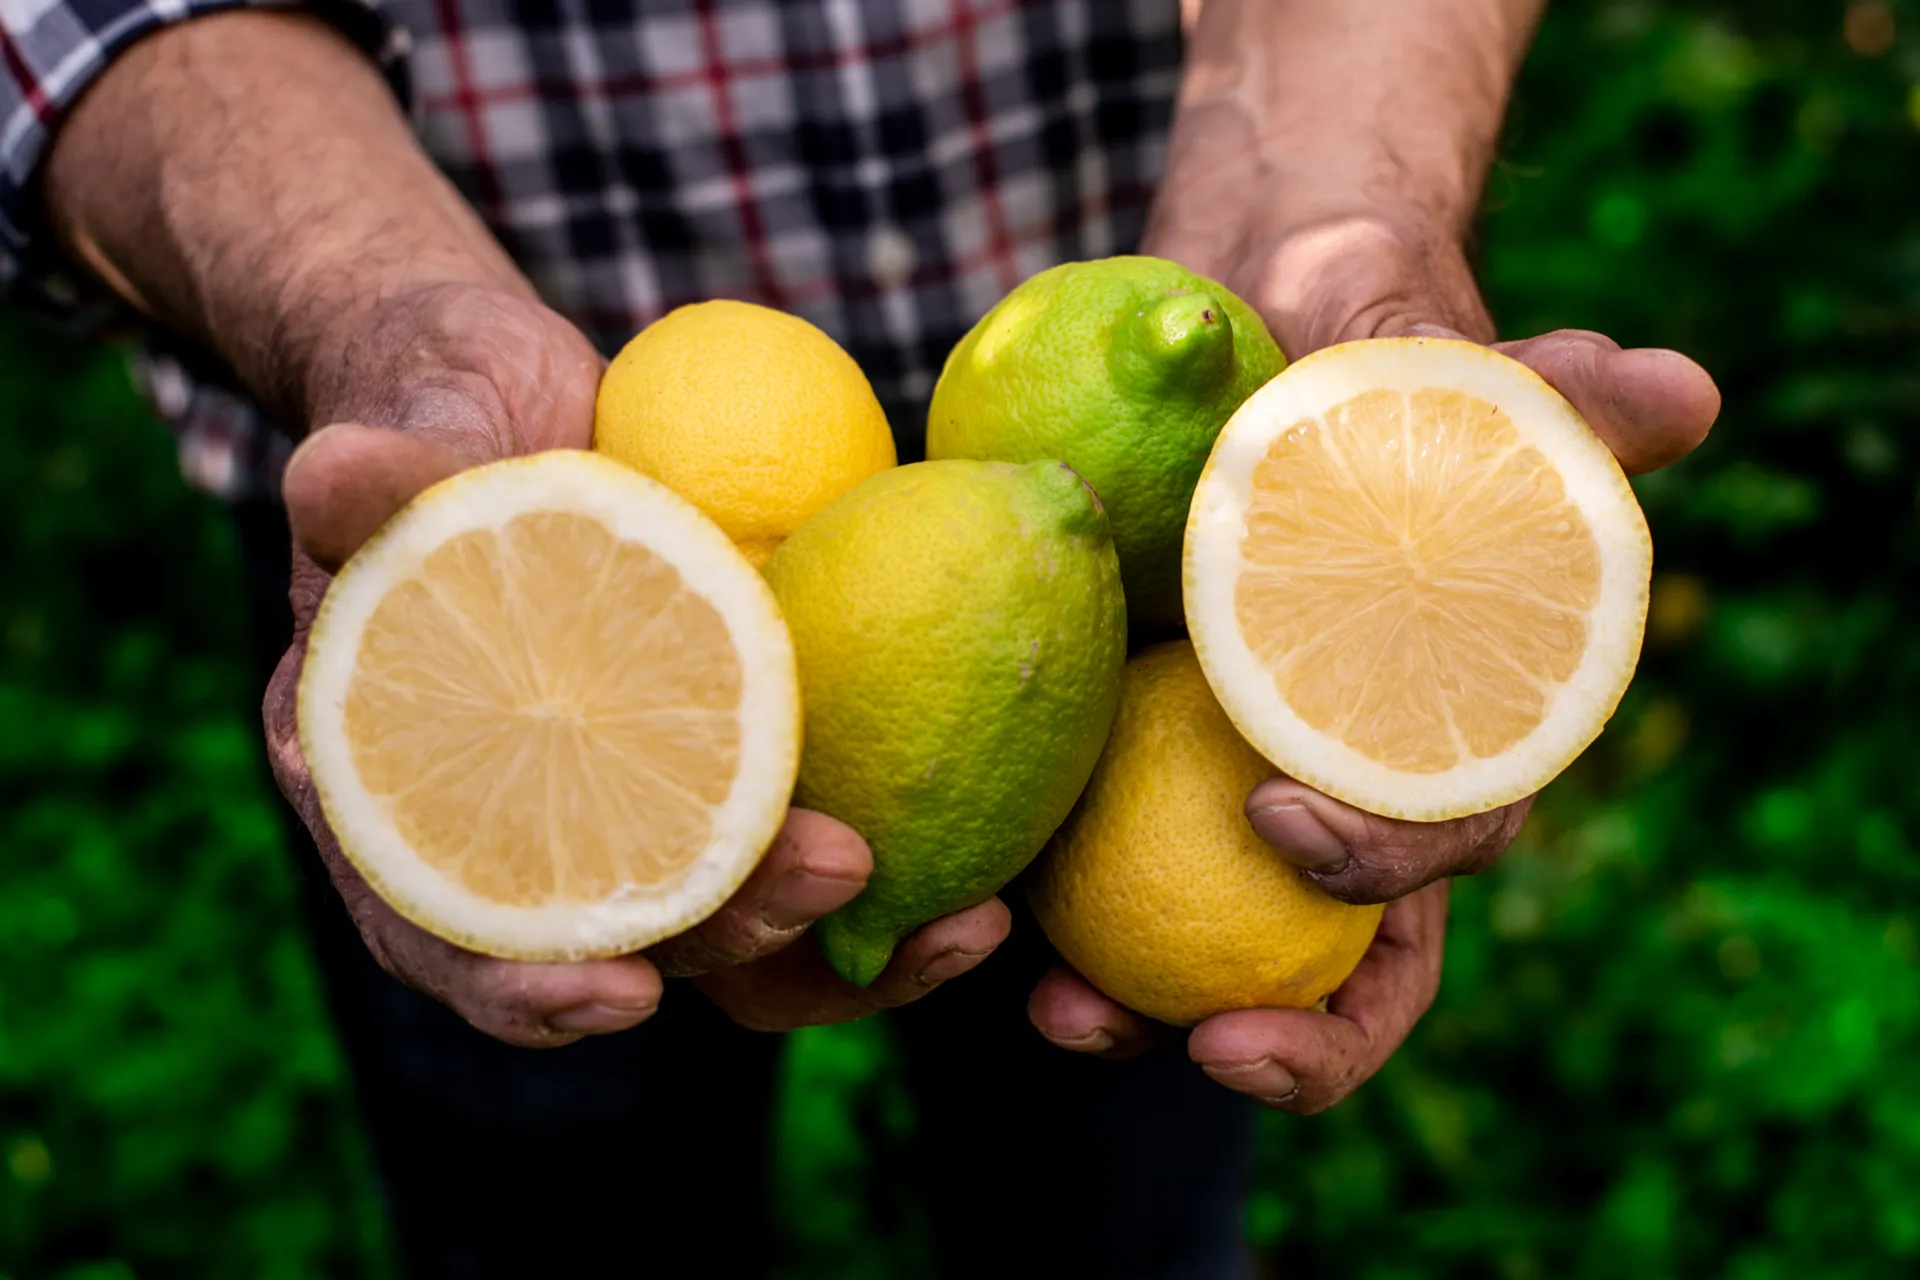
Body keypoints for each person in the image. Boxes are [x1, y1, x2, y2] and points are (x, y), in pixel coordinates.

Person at [1, 0, 1719, 1274]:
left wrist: (1343, 209)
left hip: (1158, 534)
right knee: (552, 1189)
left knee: (1126, 1198)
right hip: (532, 514)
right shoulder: (478, 483)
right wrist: (371, 318)